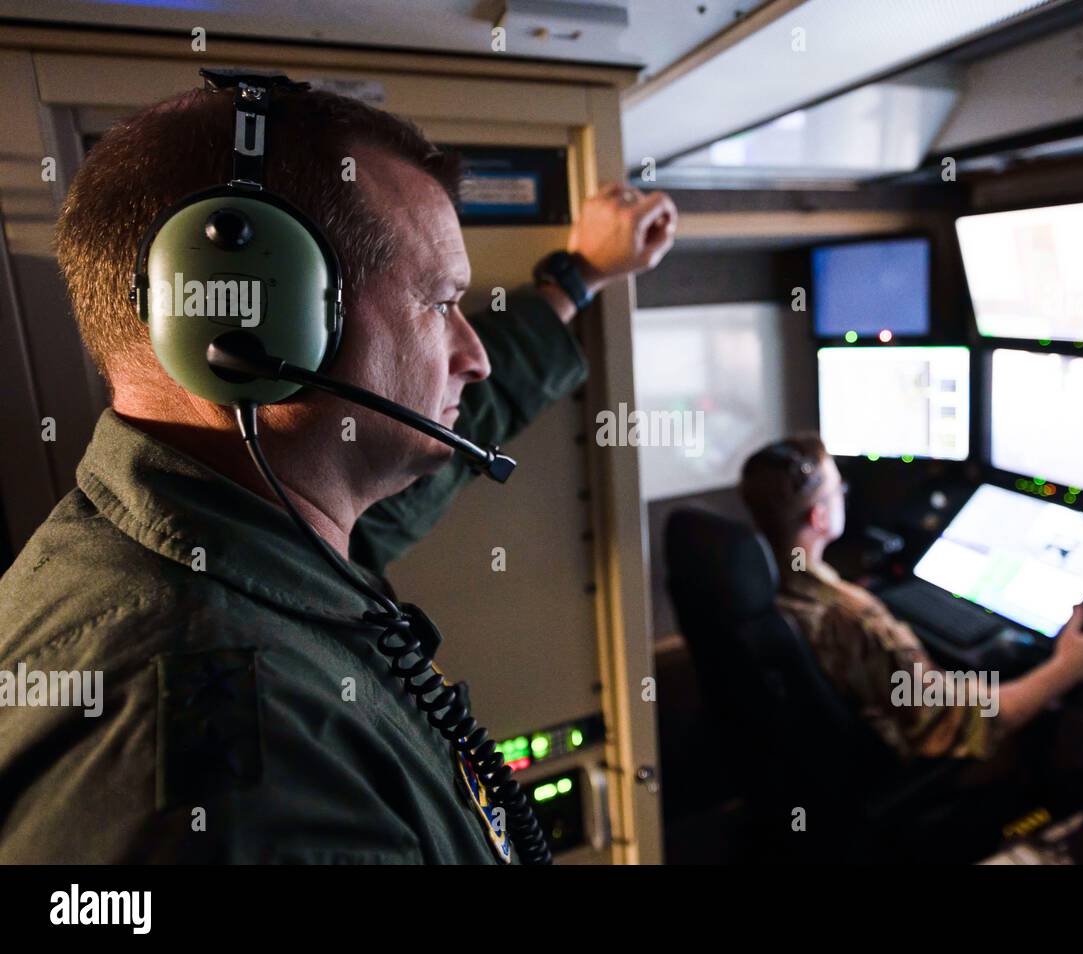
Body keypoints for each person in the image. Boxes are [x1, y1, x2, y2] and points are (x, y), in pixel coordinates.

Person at [0, 82, 675, 863]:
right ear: (255, 325)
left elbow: (438, 447)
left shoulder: (235, 543)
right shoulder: (235, 757)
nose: (475, 356)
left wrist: (575, 282)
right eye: (440, 303)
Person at [739, 434, 1083, 762]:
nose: (844, 496)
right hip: (888, 766)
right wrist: (1067, 667)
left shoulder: (754, 585)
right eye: (840, 489)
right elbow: (966, 721)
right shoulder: (852, 616)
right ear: (819, 516)